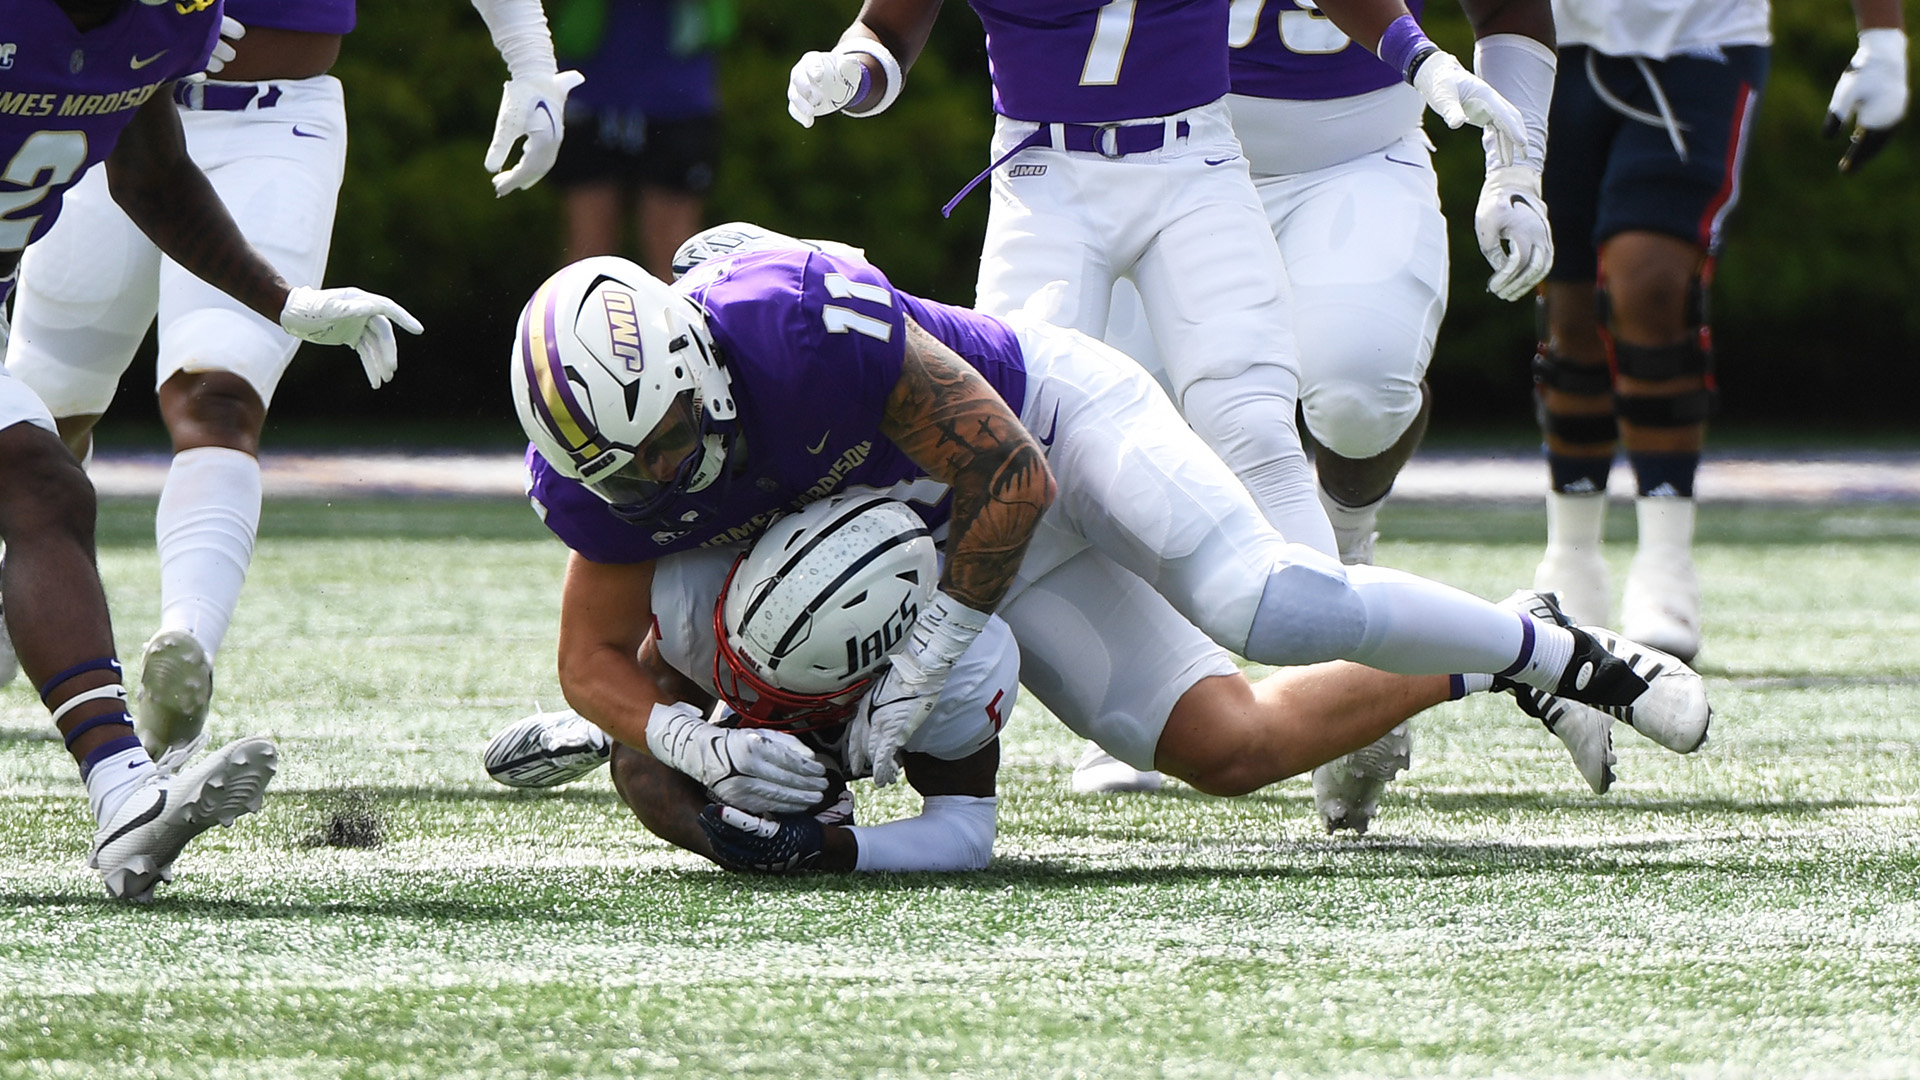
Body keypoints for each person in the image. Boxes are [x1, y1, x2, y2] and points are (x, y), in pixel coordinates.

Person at [509, 239, 1710, 839]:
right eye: (623, 468)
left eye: (663, 441)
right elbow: (596, 655)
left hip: (1047, 431)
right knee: (1227, 751)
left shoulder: (793, 328)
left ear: (693, 366)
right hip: (951, 540)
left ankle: (1578, 661)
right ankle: (1497, 649)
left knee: (1265, 603)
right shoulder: (613, 479)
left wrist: (927, 655)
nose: (656, 479)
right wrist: (687, 737)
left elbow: (1010, 479)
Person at [783, 0, 1538, 801]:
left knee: (1253, 429)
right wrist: (851, 73)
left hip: (1193, 168)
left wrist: (1425, 62)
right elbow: (889, 34)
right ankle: (1094, 700)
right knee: (1006, 444)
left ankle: (1358, 694)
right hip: (1044, 181)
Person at [2, 0, 580, 765]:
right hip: (102, 102)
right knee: (44, 413)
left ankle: (186, 646)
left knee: (218, 395)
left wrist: (528, 58)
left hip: (271, 120)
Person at [1097, 0, 1558, 825]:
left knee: (1360, 394)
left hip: (1356, 151)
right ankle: (1153, 655)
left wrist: (1516, 167)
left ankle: (1352, 572)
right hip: (1161, 148)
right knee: (1120, 412)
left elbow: (1507, 6)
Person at [1, 0, 420, 899]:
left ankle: (124, 796)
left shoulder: (162, 21)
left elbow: (151, 181)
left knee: (44, 488)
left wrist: (283, 303)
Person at [1529, 0, 1906, 661]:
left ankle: (1666, 563)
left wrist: (1882, 39)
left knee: (1651, 284)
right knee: (1571, 311)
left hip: (1700, 39)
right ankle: (1572, 558)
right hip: (1545, 40)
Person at [486, 494, 1021, 872]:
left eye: (777, 688)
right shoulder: (699, 588)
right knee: (647, 760)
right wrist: (727, 831)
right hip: (718, 615)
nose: (753, 694)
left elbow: (967, 831)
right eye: (744, 674)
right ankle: (608, 730)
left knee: (1110, 720)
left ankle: (617, 729)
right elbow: (641, 772)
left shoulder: (959, 673)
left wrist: (825, 847)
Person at [546, 0, 730, 274]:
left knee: (674, 250)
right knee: (587, 251)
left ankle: (680, 318)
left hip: (676, 94)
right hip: (592, 85)